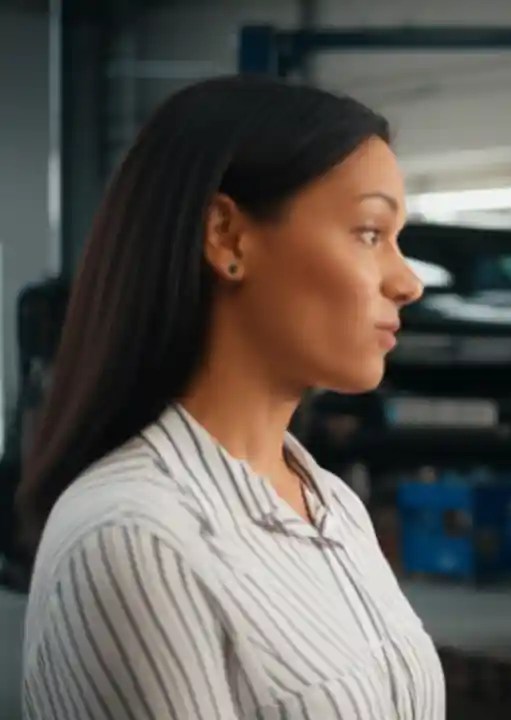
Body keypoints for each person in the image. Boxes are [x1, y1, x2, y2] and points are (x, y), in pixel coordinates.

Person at [18, 75, 446, 719]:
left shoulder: (333, 507)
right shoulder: (139, 537)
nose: (407, 281)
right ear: (226, 235)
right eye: (368, 232)